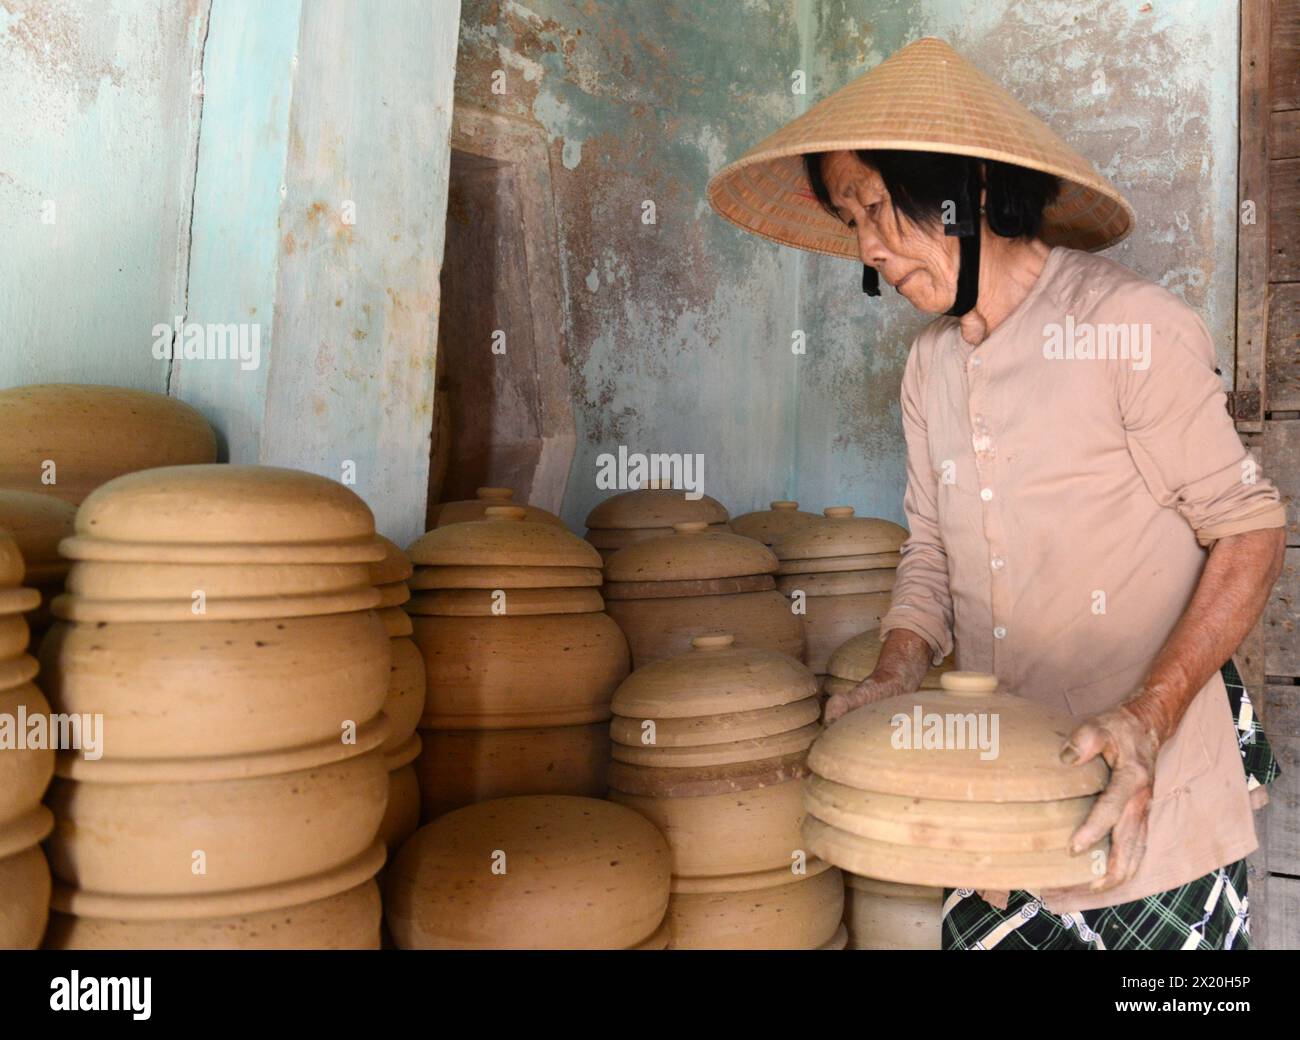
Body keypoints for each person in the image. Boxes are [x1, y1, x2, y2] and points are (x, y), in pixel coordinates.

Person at [707, 37, 1285, 950]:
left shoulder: (1129, 327)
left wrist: (1146, 717)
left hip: (1149, 806)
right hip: (991, 807)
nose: (866, 248)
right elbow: (930, 550)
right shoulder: (929, 365)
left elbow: (1251, 530)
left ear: (964, 192)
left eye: (873, 208)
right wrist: (896, 670)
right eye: (850, 219)